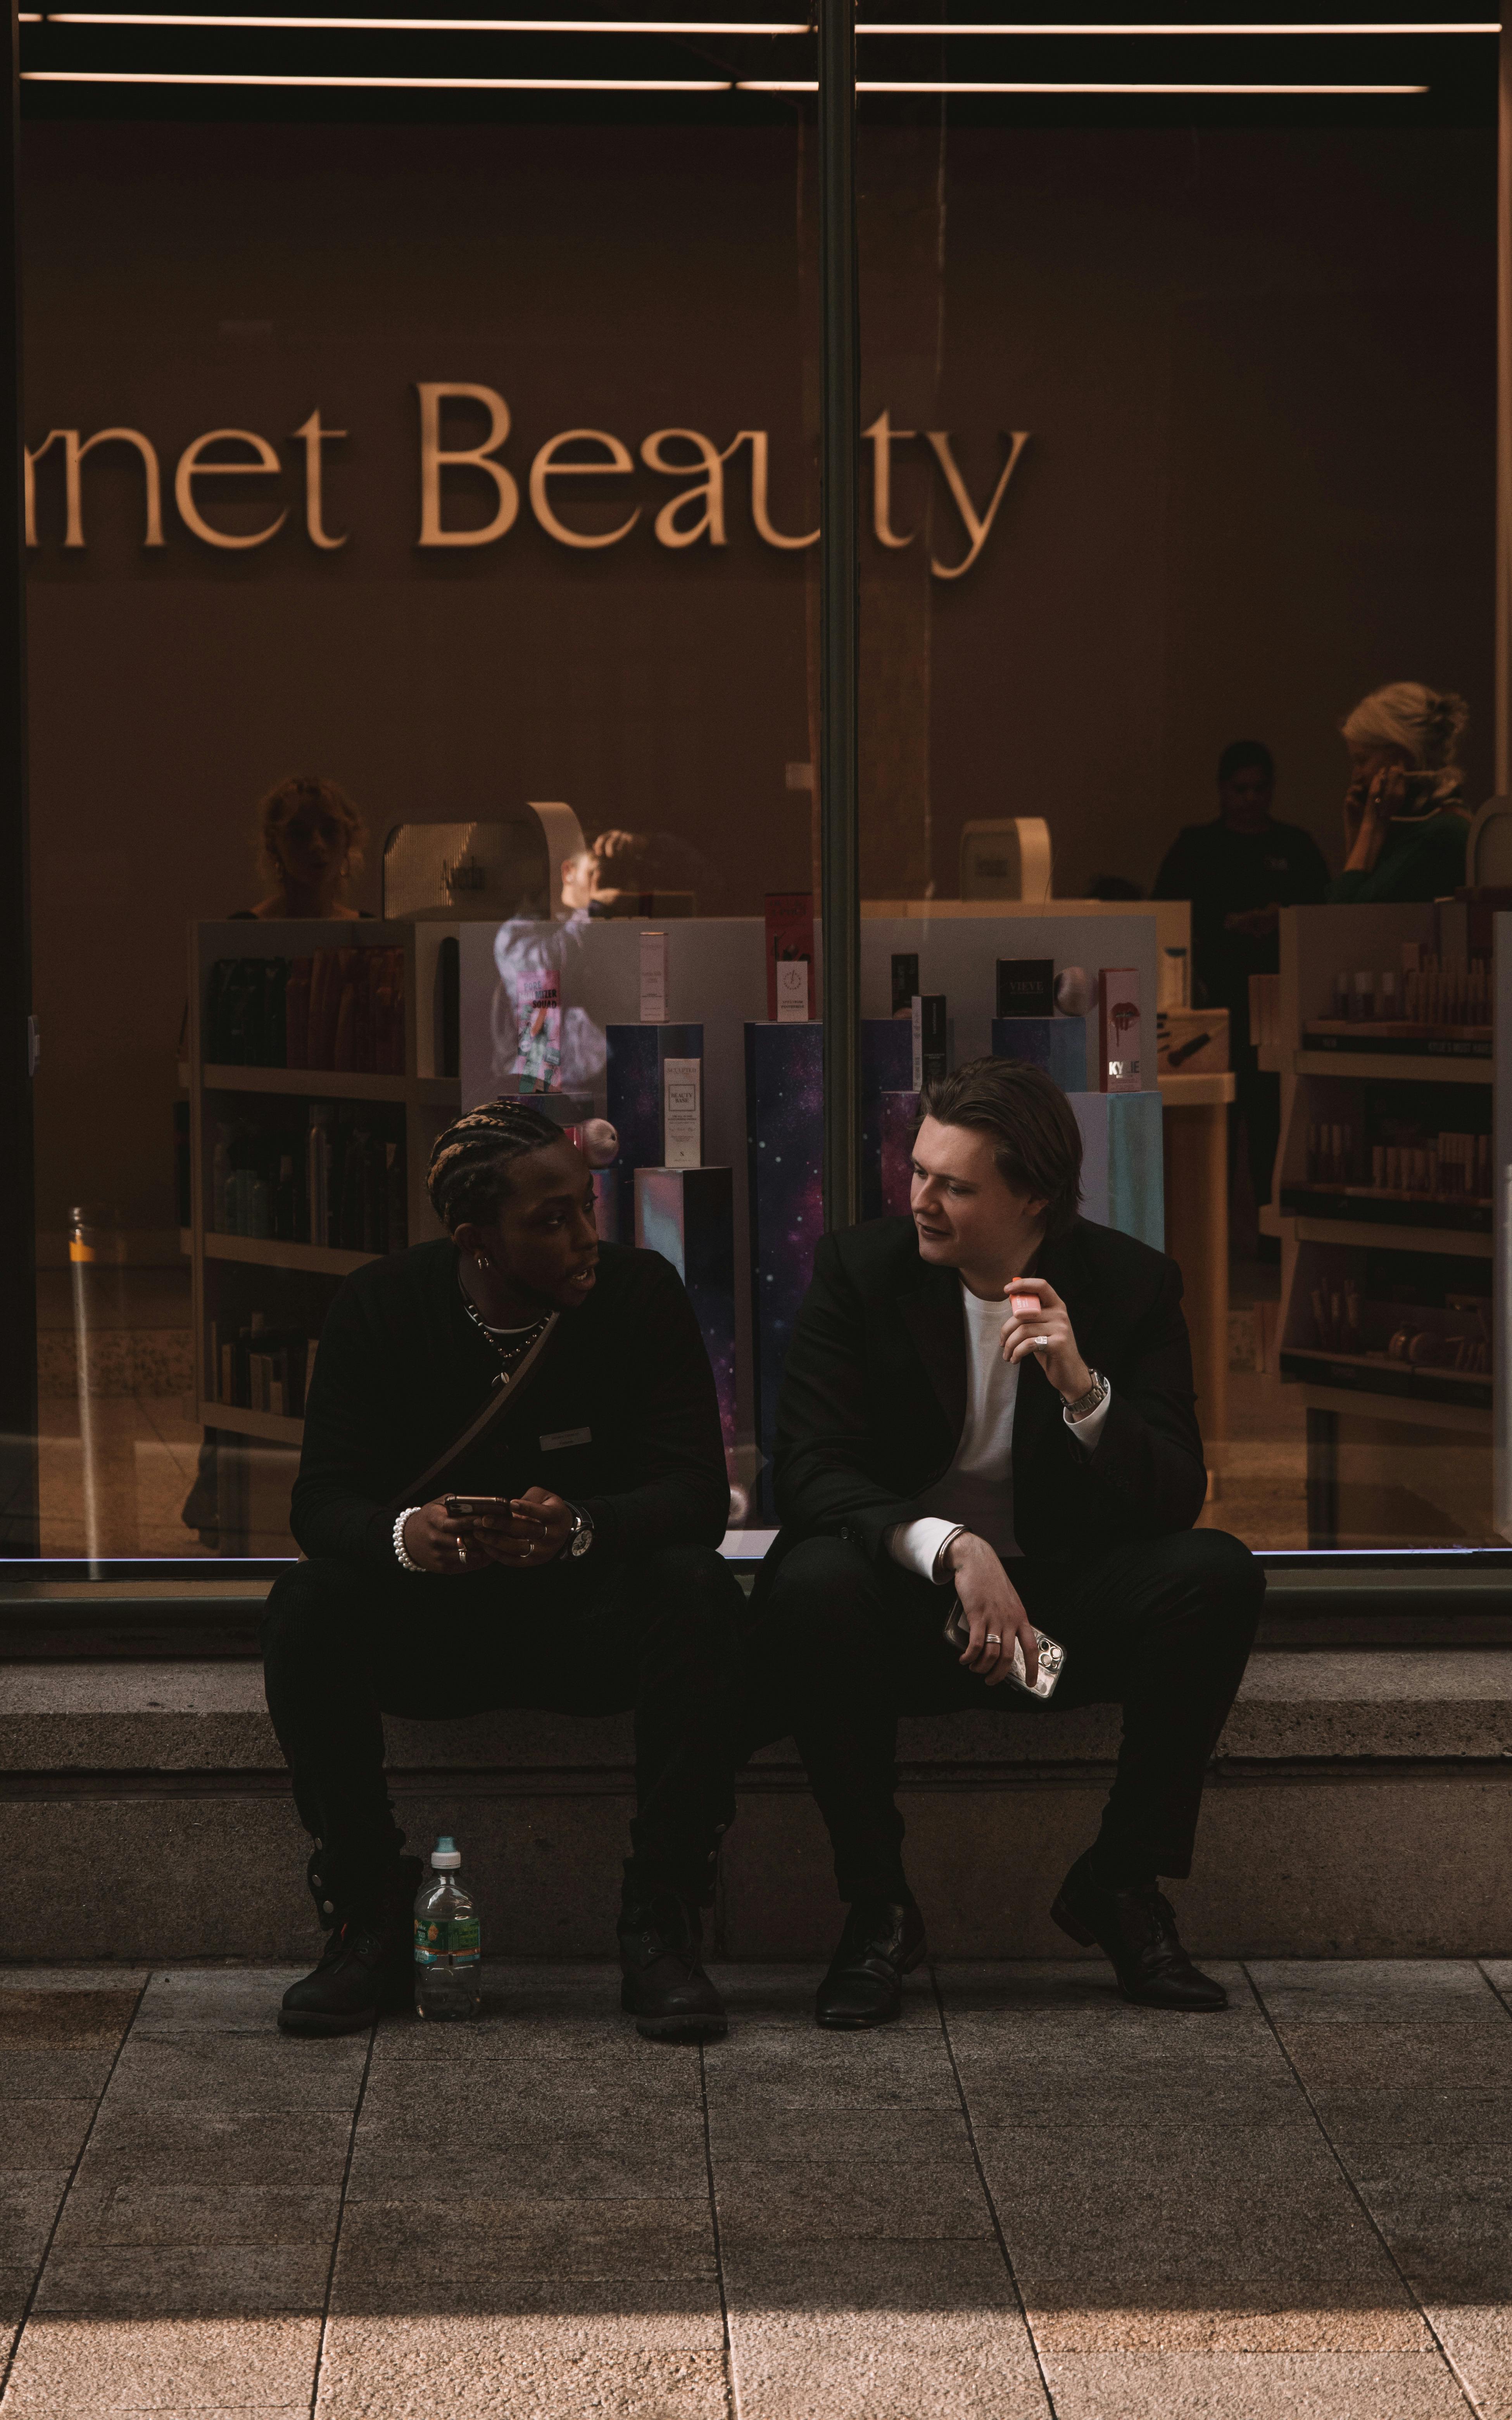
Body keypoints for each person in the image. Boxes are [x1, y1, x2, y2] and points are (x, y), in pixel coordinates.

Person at [740, 1057, 1264, 2028]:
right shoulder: (861, 1270)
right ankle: (879, 1908)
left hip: (1062, 1599)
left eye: (954, 1184)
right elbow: (808, 1470)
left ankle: (1121, 1879)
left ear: (1032, 1197)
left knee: (1216, 1575)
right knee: (811, 1582)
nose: (921, 1199)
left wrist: (1085, 1393)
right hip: (907, 1602)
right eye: (918, 1171)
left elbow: (1176, 1498)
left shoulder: (1129, 1285)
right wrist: (952, 1548)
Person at [261, 1098, 746, 2042]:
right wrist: (407, 1536)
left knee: (698, 1591)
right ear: (478, 1241)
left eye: (585, 1206)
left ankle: (662, 1911)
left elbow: (695, 1492)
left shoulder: (640, 1294)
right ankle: (368, 1909)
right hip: (436, 1629)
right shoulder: (381, 1304)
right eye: (549, 1220)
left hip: (588, 1621)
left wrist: (584, 1528)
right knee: (306, 1604)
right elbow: (320, 1504)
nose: (582, 1237)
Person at [1153, 742, 1328, 1212]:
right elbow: (1168, 916)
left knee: (1274, 1114)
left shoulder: (1294, 847)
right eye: (1240, 789)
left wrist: (1278, 919)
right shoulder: (1198, 847)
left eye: (1259, 788)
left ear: (1272, 789)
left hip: (1278, 998)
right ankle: (1217, 1232)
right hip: (1214, 1001)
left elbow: (1323, 915)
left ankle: (1274, 1229)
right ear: (1222, 790)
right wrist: (1225, 925)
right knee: (1216, 1120)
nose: (1250, 798)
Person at [1328, 683, 1471, 903]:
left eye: (1362, 761)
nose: (1356, 776)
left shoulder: (1440, 833)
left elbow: (1348, 917)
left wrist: (1371, 827)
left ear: (1401, 759)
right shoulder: (1410, 828)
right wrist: (1356, 834)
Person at [238, 772, 367, 921]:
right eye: (299, 833)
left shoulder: (370, 932)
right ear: (273, 845)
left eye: (330, 831)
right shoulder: (242, 933)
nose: (317, 845)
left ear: (348, 840)